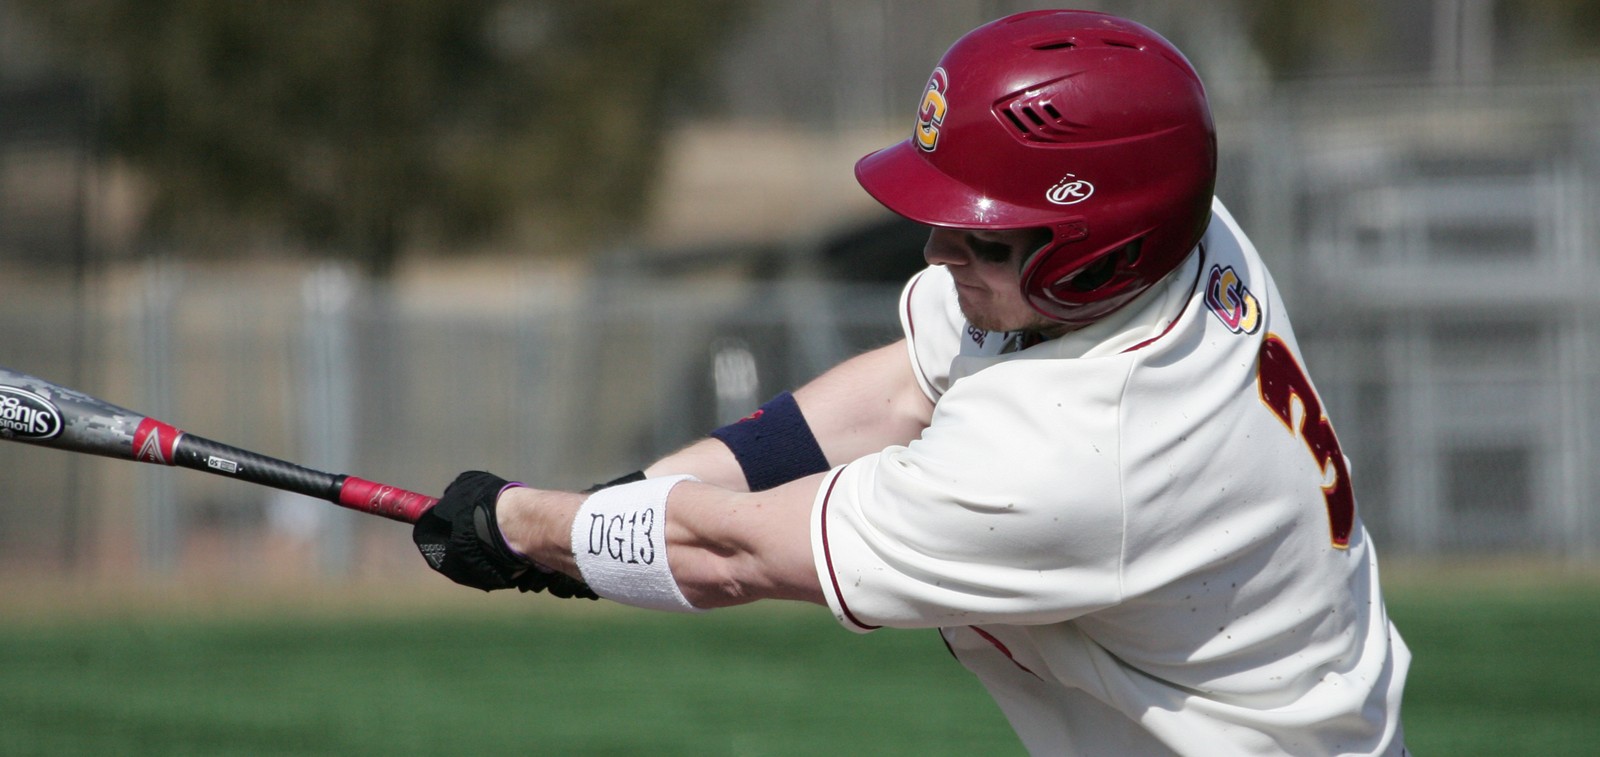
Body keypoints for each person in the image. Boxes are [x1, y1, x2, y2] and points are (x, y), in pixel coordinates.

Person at [412, 9, 1410, 755]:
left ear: (1099, 250)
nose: (934, 250)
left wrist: (529, 526)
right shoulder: (1182, 238)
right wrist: (623, 507)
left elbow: (735, 554)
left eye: (979, 232)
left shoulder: (1067, 458)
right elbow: (895, 392)